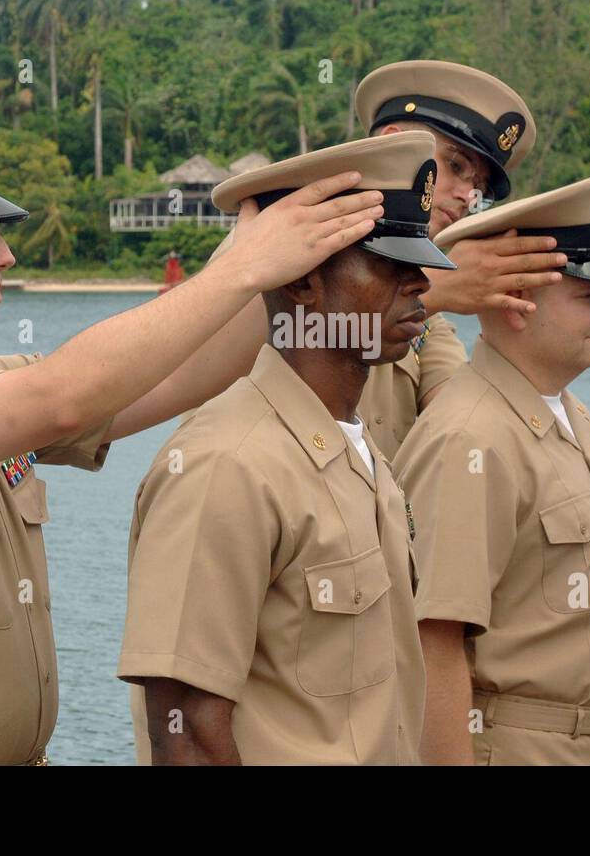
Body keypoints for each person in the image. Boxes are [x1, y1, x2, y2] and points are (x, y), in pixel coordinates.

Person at [0, 100, 383, 765]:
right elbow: (65, 396)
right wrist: (240, 269)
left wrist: (287, 254)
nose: (3, 255)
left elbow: (182, 373)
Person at [117, 131, 452, 764]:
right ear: (300, 282)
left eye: (420, 261)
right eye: (389, 263)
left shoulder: (356, 449)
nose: (421, 285)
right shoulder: (226, 465)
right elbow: (185, 729)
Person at [165, 60, 569, 459]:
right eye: (456, 166)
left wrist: (516, 318)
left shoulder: (422, 299)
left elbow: (458, 425)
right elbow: (248, 344)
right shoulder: (280, 240)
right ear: (391, 142)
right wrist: (444, 287)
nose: (468, 195)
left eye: (477, 185)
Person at [393, 171, 590, 765]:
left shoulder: (567, 414)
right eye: (588, 295)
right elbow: (433, 646)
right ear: (515, 304)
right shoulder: (469, 438)